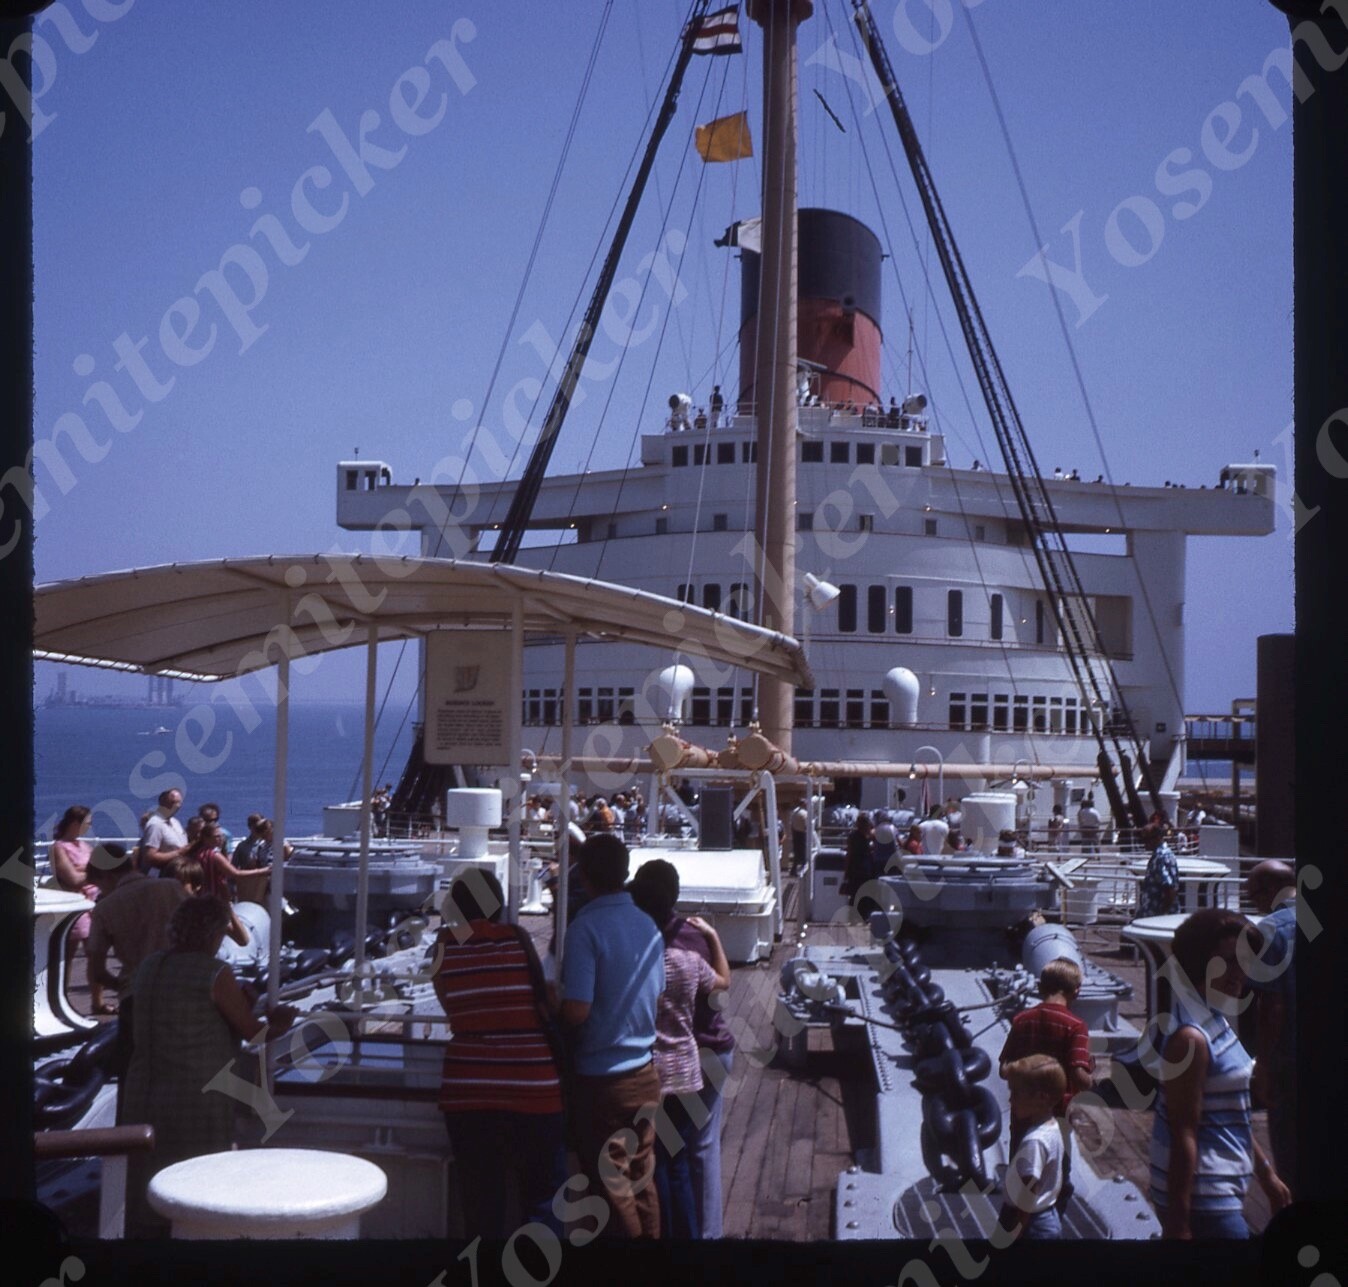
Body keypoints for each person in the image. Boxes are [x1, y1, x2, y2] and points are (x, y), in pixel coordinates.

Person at [119, 895, 297, 1237]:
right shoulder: (214, 972)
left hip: (143, 1090)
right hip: (196, 1093)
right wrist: (282, 1022)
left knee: (148, 1175)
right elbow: (253, 1032)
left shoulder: (149, 966)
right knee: (196, 1176)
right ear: (215, 932)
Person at [431, 871, 566, 1239]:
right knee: (542, 1197)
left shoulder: (443, 947)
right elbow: (540, 1000)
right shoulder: (517, 939)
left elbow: (453, 1010)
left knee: (481, 1200)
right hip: (532, 1084)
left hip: (469, 1086)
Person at [1149, 908, 1290, 1238]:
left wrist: (1266, 1175)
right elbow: (1183, 1131)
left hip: (1222, 1186)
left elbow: (1229, 1112)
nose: (1240, 972)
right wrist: (1178, 1222)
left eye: (1244, 961)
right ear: (1199, 962)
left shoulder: (1213, 1019)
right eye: (1228, 961)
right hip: (1203, 1197)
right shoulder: (1191, 1037)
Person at [561, 833, 665, 1239]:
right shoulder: (647, 925)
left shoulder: (585, 928)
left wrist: (552, 1005)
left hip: (603, 1081)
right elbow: (654, 992)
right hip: (645, 1073)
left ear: (583, 876)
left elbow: (577, 1010)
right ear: (624, 874)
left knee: (611, 1185)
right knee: (641, 1178)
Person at [628, 860, 730, 1239]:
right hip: (695, 1062)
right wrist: (715, 937)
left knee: (661, 1162)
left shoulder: (637, 954)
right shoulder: (691, 950)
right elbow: (721, 983)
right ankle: (700, 1239)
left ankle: (677, 1240)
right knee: (691, 1155)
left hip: (654, 1070)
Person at [998, 958, 1094, 1215]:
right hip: (1057, 1118)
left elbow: (1004, 1067)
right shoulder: (1076, 1027)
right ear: (1077, 991)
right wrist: (1093, 1083)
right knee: (1055, 1177)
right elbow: (1078, 1074)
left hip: (1022, 1113)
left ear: (1040, 987)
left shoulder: (1021, 1020)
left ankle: (1015, 1226)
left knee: (1020, 1171)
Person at [1246, 860, 1296, 1197]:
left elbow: (1272, 1006)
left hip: (1289, 1058)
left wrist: (1262, 1065)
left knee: (1291, 1146)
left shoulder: (1271, 930)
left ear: (1268, 891)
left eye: (1254, 895)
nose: (1254, 903)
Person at [998, 1055, 1067, 1240]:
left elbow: (1029, 1191)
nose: (1011, 1100)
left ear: (1041, 1098)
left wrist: (1017, 1231)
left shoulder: (1034, 1141)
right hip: (1046, 1214)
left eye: (1016, 1093)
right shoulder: (1052, 1126)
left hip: (1031, 1224)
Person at [49, 804, 108, 1014]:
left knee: (95, 955)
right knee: (67, 956)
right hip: (74, 906)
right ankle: (60, 1000)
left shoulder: (84, 846)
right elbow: (72, 879)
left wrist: (86, 871)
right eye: (87, 823)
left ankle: (97, 1002)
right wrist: (90, 870)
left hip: (93, 905)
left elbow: (96, 870)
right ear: (75, 823)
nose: (89, 827)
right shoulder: (59, 847)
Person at [138, 787, 188, 875]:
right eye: (173, 802)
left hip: (178, 873)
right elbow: (150, 857)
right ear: (163, 803)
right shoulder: (156, 825)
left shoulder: (176, 822)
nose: (177, 806)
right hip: (162, 875)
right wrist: (179, 853)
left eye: (179, 802)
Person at [1136, 822, 1179, 919]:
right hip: (1149, 913)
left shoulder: (1162, 857)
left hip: (1156, 916)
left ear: (1157, 837)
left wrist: (1162, 915)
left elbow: (1170, 889)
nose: (1144, 843)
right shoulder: (1157, 855)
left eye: (1146, 839)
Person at [841, 813, 874, 898]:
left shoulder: (853, 836)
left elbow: (849, 855)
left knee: (855, 896)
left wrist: (846, 872)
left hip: (854, 870)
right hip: (866, 870)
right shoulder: (868, 838)